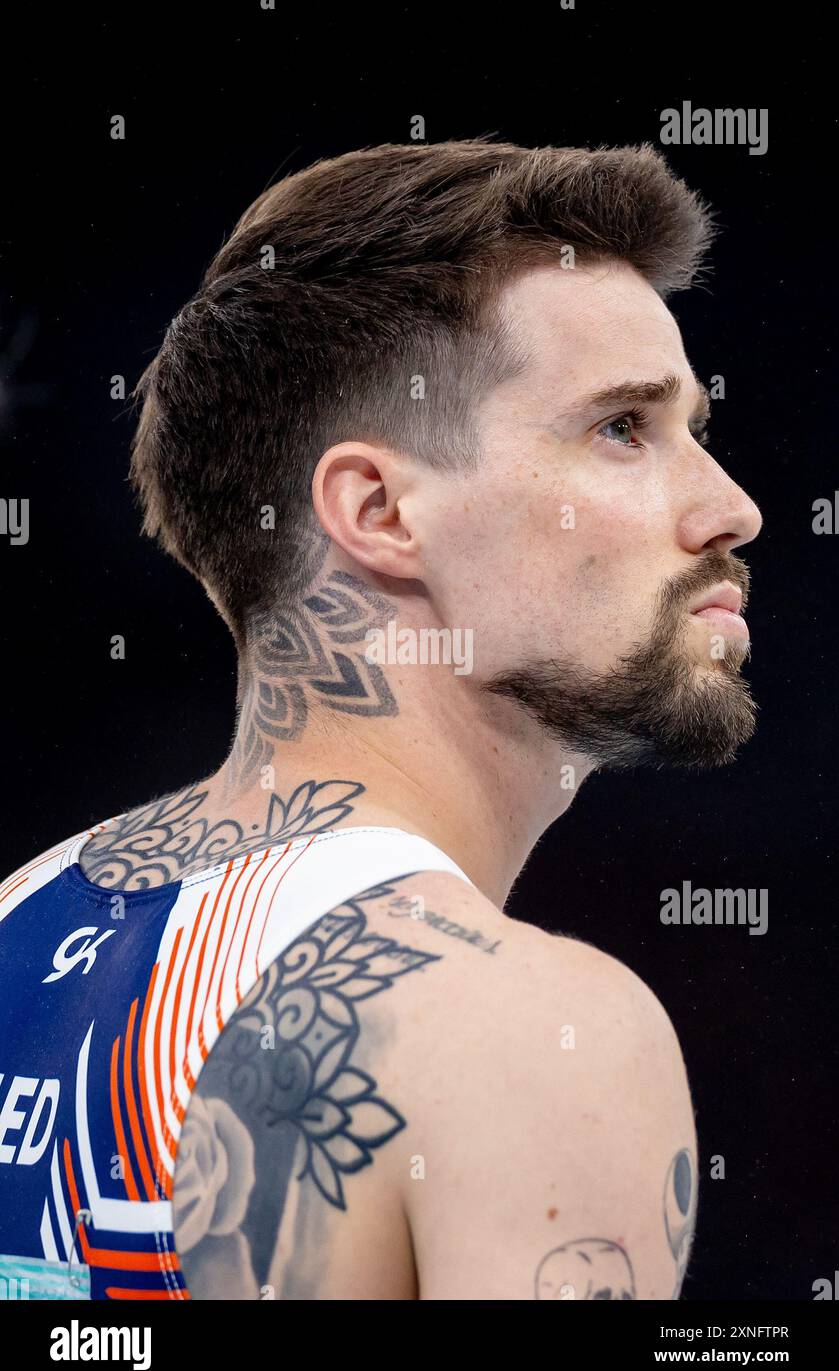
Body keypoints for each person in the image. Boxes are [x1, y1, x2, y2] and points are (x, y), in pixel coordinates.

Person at [0, 138, 761, 1301]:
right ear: (379, 511)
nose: (730, 509)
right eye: (622, 428)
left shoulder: (17, 917)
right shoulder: (530, 1029)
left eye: (693, 432)